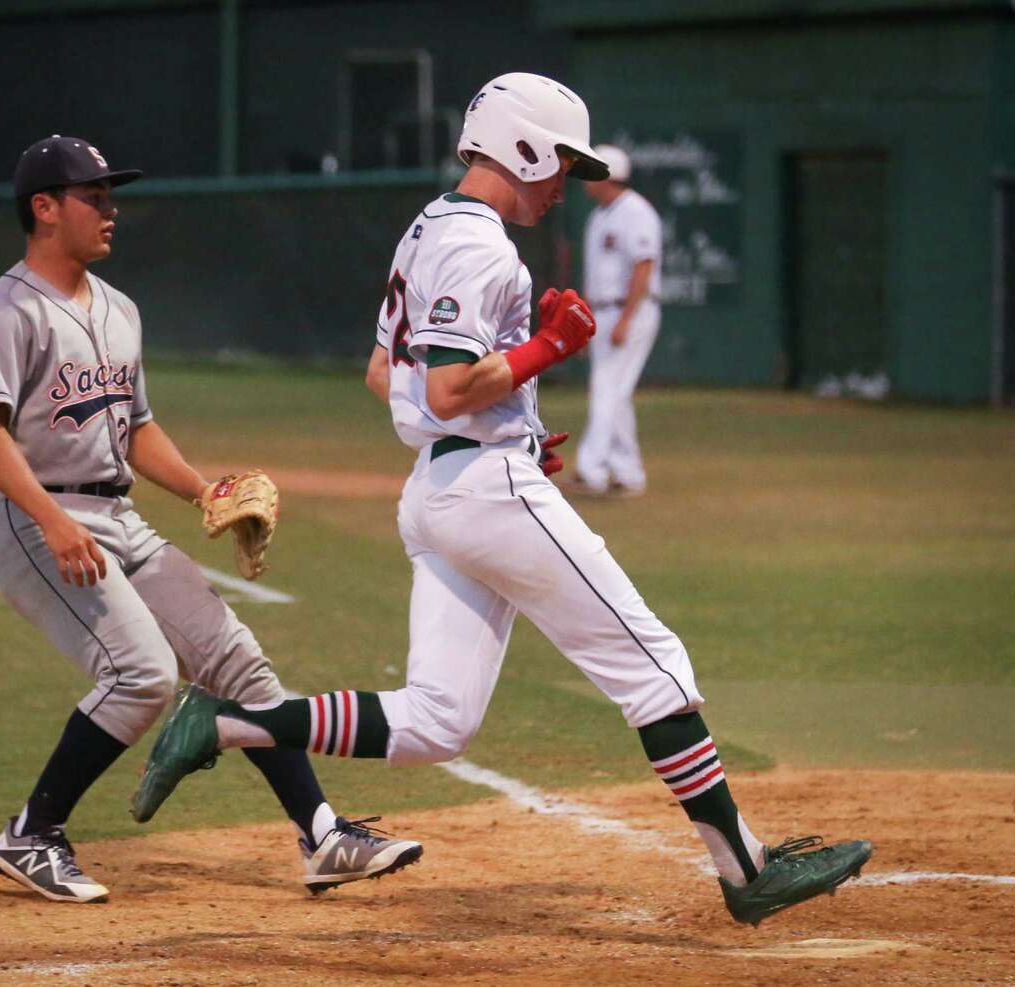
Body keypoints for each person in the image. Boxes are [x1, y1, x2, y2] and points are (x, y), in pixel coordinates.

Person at [132, 75, 872, 926]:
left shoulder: (426, 229)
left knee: (438, 721)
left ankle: (227, 723)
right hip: (482, 489)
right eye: (561, 159)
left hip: (447, 488)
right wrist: (547, 351)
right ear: (520, 145)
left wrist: (511, 422)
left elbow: (388, 377)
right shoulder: (482, 245)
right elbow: (446, 390)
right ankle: (745, 872)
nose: (567, 182)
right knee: (656, 666)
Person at [0, 134, 421, 903]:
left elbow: (135, 429)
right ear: (44, 209)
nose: (112, 210)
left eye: (113, 195)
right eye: (94, 196)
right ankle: (32, 833)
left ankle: (325, 835)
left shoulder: (120, 310)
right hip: (41, 522)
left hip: (119, 517)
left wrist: (206, 493)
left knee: (238, 661)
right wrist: (50, 519)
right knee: (141, 675)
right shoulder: (6, 313)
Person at [572, 144, 662, 497]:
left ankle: (590, 468)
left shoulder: (635, 211)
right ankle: (627, 473)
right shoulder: (599, 216)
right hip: (604, 310)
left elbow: (644, 265)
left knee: (608, 388)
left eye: (590, 173)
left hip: (631, 309)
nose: (584, 181)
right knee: (614, 393)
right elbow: (595, 278)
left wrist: (627, 318)